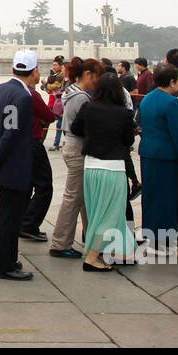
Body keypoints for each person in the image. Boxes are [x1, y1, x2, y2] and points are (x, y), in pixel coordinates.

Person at [0, 50, 39, 281]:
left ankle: (9, 259)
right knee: (10, 218)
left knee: (8, 214)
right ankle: (3, 266)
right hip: (11, 165)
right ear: (34, 71)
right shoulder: (22, 97)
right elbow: (11, 132)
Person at [71, 72, 137, 271]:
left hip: (91, 167)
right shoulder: (123, 114)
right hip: (113, 168)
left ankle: (114, 250)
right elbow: (128, 141)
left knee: (97, 213)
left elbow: (75, 129)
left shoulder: (88, 107)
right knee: (111, 214)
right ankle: (91, 258)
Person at [137, 66, 178, 249]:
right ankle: (166, 237)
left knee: (151, 196)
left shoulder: (148, 99)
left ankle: (151, 234)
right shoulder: (172, 103)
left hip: (148, 153)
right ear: (172, 82)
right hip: (166, 156)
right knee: (167, 198)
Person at [48, 58, 98, 258]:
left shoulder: (71, 90)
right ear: (87, 75)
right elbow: (83, 126)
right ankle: (60, 243)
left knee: (84, 197)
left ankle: (90, 235)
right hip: (77, 147)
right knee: (73, 198)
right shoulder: (82, 98)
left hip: (71, 145)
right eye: (96, 76)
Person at [18, 57, 58, 242]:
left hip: (18, 145)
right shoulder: (31, 94)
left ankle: (21, 221)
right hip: (32, 143)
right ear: (33, 72)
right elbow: (49, 116)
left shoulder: (9, 91)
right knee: (44, 185)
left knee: (25, 185)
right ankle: (29, 223)